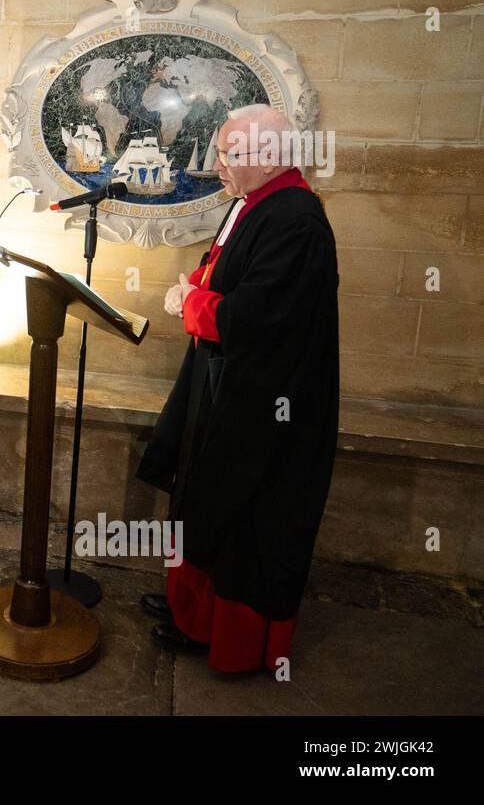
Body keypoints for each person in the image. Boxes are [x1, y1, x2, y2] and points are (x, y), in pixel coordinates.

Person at [135, 103, 340, 674]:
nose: (217, 165)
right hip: (225, 388)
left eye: (229, 155)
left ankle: (222, 636)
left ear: (270, 156)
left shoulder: (295, 219)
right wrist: (195, 285)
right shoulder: (252, 204)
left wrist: (194, 304)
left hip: (266, 407)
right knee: (202, 500)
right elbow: (223, 271)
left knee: (243, 518)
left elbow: (258, 316)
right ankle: (191, 610)